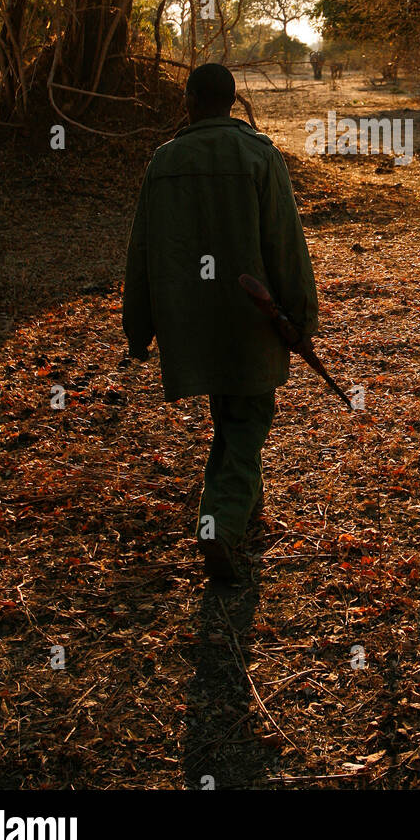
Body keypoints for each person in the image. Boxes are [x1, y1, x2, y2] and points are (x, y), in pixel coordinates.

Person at [121, 62, 319, 581]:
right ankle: (220, 525)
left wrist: (138, 329)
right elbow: (285, 245)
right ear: (233, 103)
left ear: (189, 102)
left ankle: (242, 510)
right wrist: (300, 318)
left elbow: (140, 252)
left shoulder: (163, 162)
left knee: (232, 420)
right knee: (247, 420)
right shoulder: (259, 155)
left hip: (192, 325)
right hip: (252, 323)